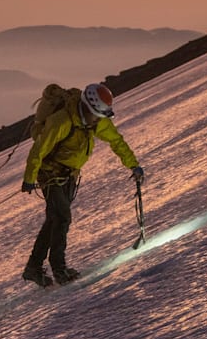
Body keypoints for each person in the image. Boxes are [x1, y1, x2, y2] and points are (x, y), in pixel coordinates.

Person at [21, 82, 144, 286]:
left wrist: (134, 165)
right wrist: (29, 178)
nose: (98, 119)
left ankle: (33, 268)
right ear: (87, 106)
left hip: (69, 174)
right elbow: (39, 149)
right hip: (49, 173)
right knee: (62, 217)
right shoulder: (61, 121)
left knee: (54, 219)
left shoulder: (97, 121)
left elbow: (116, 141)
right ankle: (59, 269)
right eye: (95, 114)